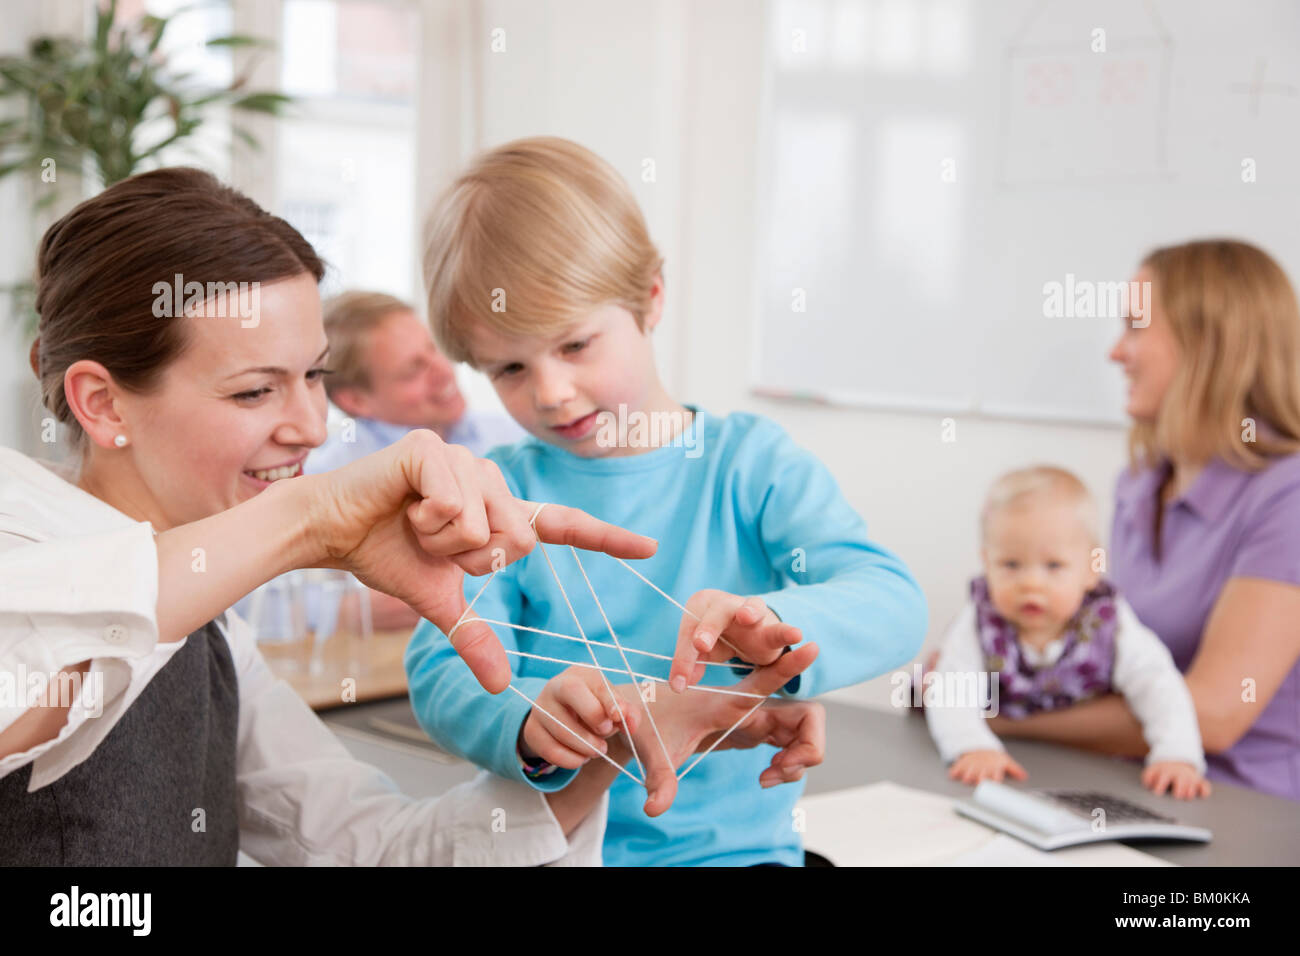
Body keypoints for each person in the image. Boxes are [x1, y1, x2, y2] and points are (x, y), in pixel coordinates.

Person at [0, 166, 825, 865]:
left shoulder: (217, 634)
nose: (312, 427)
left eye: (315, 377)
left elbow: (380, 847)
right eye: (254, 391)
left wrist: (613, 740)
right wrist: (307, 521)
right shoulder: (19, 546)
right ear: (102, 403)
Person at [406, 136, 929, 866]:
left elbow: (892, 600)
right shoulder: (500, 492)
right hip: (551, 849)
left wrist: (774, 627)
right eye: (510, 368)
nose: (551, 391)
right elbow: (443, 664)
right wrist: (529, 717)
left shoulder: (751, 466)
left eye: (575, 345)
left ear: (650, 298)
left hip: (735, 857)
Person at [984, 240, 1300, 804]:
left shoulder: (1287, 496)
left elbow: (1214, 715)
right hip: (1122, 783)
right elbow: (1107, 652)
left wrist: (999, 715)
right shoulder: (1141, 482)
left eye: (1134, 326)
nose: (1115, 352)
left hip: (1240, 804)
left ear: (1208, 342)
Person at [242, 291, 523, 632]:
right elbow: (242, 601)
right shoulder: (322, 480)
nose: (443, 372)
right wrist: (345, 611)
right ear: (355, 400)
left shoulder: (514, 434)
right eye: (412, 371)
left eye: (433, 348)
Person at [923, 466, 1209, 798]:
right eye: (1011, 565)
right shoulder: (980, 620)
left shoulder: (1110, 622)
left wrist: (1176, 753)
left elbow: (1158, 683)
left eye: (1054, 566)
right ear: (987, 563)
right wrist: (972, 746)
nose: (1031, 583)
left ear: (1092, 569)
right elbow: (950, 688)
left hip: (1086, 766)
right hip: (1006, 758)